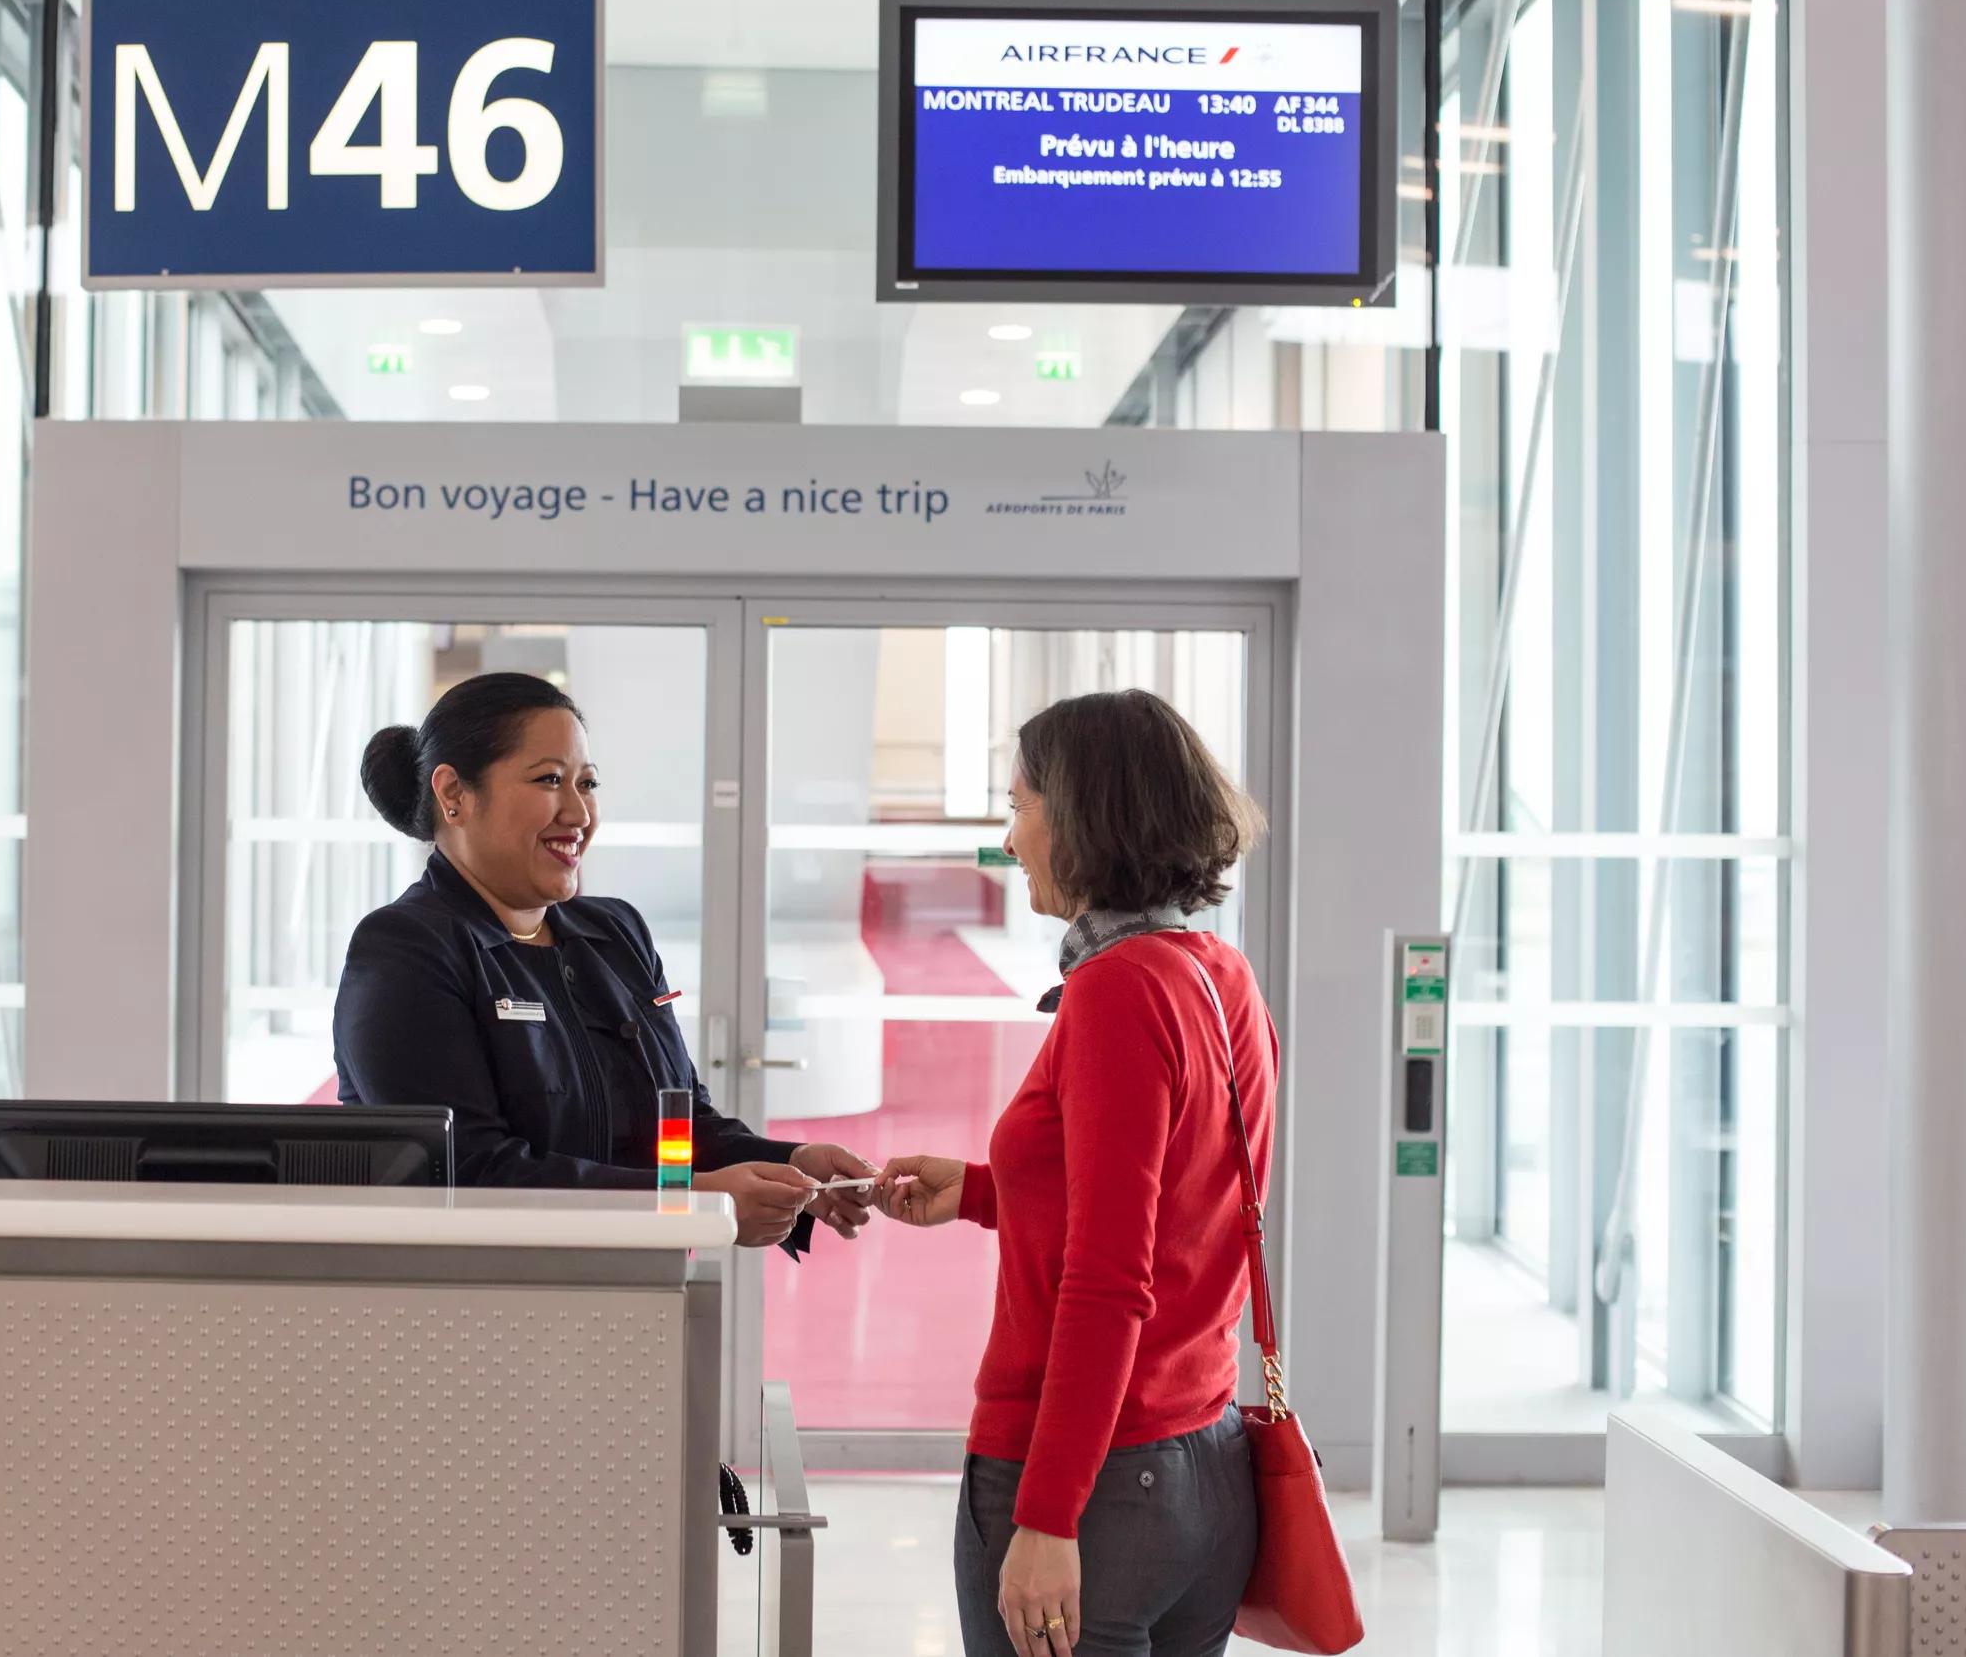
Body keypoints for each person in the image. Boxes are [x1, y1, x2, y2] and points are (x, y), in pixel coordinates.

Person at [874, 690, 1274, 1657]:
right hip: (1205, 1470)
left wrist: (1047, 1516)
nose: (1010, 839)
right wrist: (977, 1192)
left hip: (1094, 1491)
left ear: (1085, 815)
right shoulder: (1216, 972)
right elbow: (1184, 1209)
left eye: (1019, 806)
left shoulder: (1116, 992)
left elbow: (1108, 1279)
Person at [332, 671, 876, 1250]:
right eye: (549, 780)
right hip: (485, 1311)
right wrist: (694, 1204)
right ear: (453, 795)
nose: (578, 813)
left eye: (588, 784)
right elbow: (468, 1176)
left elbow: (681, 1127)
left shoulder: (615, 934)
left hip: (638, 1297)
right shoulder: (406, 950)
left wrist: (793, 1165)